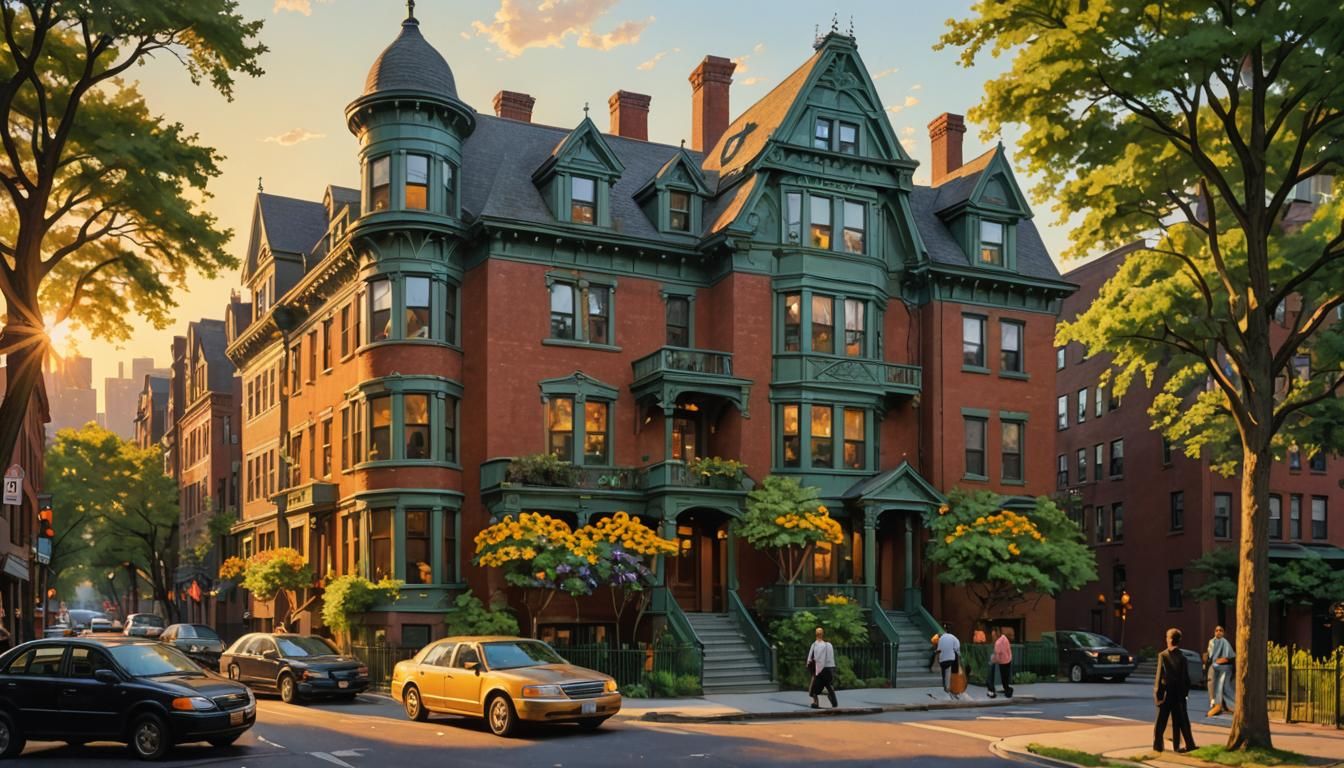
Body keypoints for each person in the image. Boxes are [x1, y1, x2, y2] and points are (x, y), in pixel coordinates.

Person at [1154, 628, 1196, 753]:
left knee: (1161, 721)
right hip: (1178, 695)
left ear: (1171, 639)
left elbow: (1159, 676)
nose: (1166, 639)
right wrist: (1185, 693)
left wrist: (1158, 695)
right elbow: (1186, 679)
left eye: (1167, 637)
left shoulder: (1163, 655)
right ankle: (1184, 745)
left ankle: (1157, 746)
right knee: (1181, 721)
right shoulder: (1183, 658)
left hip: (1166, 693)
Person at [1205, 625, 1235, 716]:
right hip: (1215, 667)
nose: (1218, 632)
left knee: (1223, 686)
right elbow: (1210, 655)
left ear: (1223, 632)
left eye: (1220, 630)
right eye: (1216, 630)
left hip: (1224, 667)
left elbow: (1227, 658)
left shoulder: (1225, 642)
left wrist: (1218, 662)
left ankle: (1225, 706)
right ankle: (1216, 705)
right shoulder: (1212, 642)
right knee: (1213, 684)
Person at [806, 626, 838, 709]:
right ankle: (834, 702)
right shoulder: (829, 645)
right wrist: (832, 668)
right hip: (829, 669)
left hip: (820, 669)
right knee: (828, 685)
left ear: (816, 634)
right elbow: (831, 659)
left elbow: (812, 658)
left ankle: (816, 703)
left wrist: (813, 669)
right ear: (822, 634)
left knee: (814, 688)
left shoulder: (815, 645)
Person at [933, 627, 962, 696]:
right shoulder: (954, 638)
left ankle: (945, 686)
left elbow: (939, 650)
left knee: (944, 672)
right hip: (950, 658)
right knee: (949, 671)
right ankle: (948, 687)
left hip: (942, 659)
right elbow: (957, 648)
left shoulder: (941, 639)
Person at [988, 627, 1014, 699]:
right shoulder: (1004, 637)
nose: (992, 637)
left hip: (1003, 662)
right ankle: (1007, 689)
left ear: (996, 634)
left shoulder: (997, 643)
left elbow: (997, 657)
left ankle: (1008, 691)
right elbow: (1008, 648)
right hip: (1008, 659)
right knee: (1006, 676)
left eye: (993, 635)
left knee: (1004, 678)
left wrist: (992, 661)